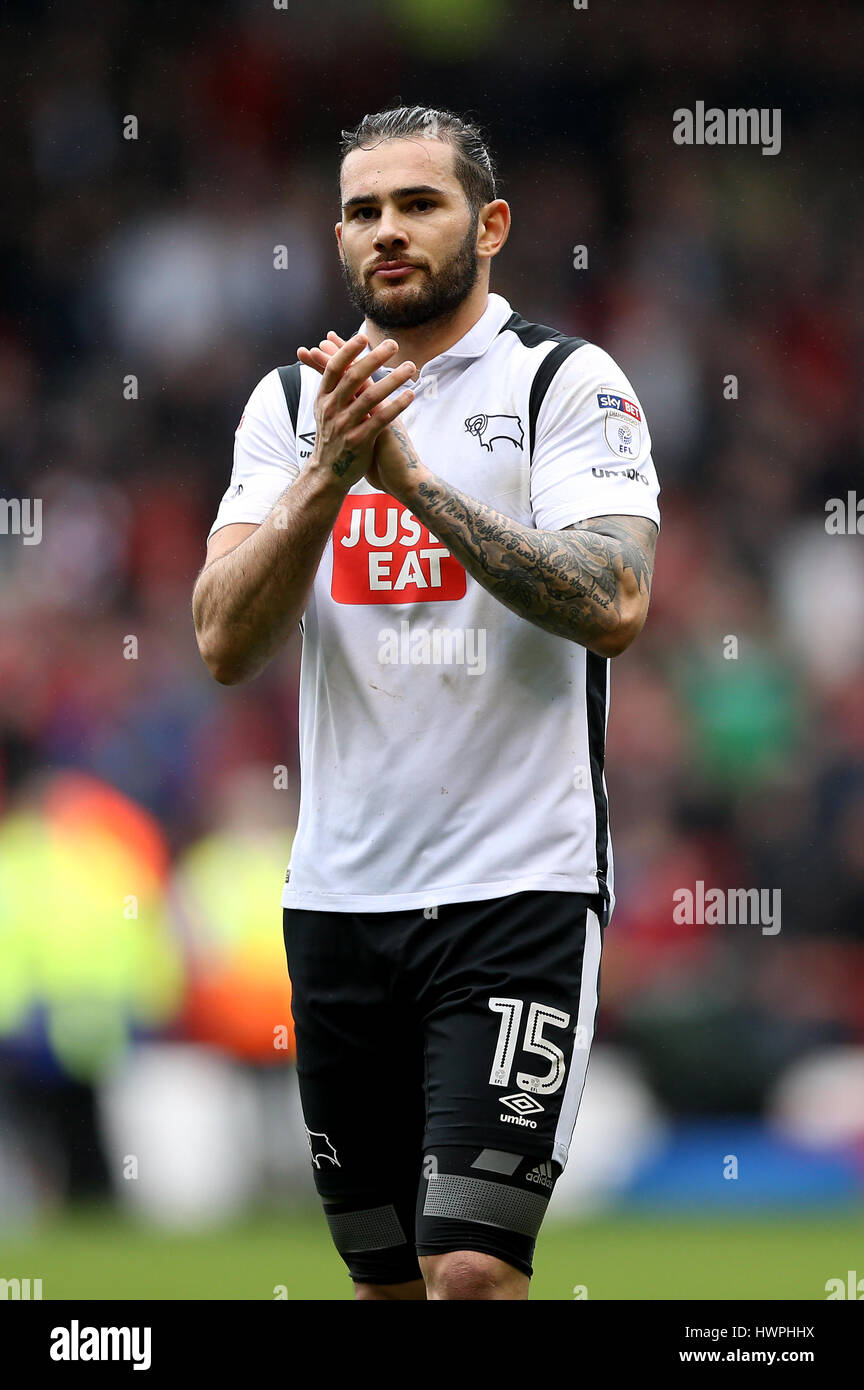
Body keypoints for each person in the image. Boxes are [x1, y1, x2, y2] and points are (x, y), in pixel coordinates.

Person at [192, 105, 660, 1301]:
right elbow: (221, 639)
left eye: (418, 204)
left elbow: (613, 596)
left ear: (490, 224)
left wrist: (414, 484)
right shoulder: (291, 409)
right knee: (390, 1282)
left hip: (517, 890)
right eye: (362, 211)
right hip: (341, 898)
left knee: (470, 1270)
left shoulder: (565, 380)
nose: (385, 232)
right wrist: (326, 483)